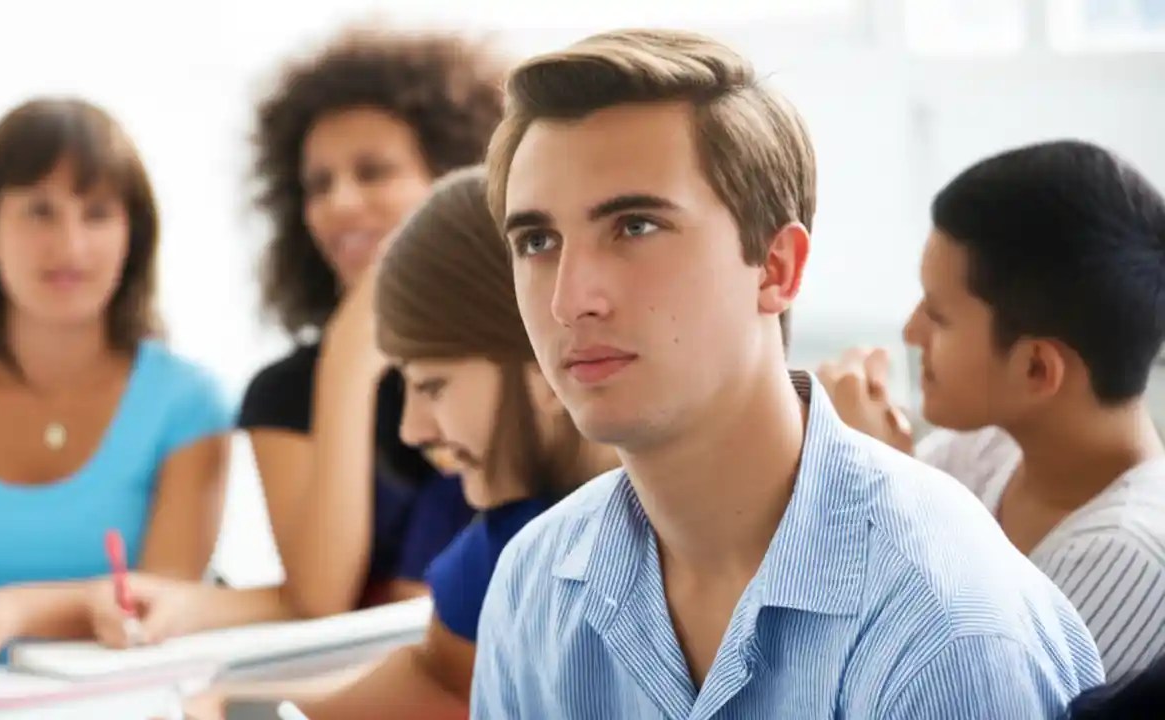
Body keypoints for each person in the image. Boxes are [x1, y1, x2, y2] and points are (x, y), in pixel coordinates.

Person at [471, 28, 1105, 719]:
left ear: (777, 269)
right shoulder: (534, 583)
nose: (569, 300)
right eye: (537, 242)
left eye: (635, 227)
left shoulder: (947, 625)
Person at [84, 28, 507, 645]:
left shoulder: (535, 355)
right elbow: (320, 596)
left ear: (456, 179)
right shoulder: (285, 393)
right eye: (318, 184)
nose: (339, 203)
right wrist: (346, 363)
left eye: (373, 172)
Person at [175, 166, 617, 720]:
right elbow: (437, 678)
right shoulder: (501, 548)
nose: (414, 429)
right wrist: (245, 707)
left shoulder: (689, 540)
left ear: (551, 361)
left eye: (433, 385)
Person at [0, 98, 233, 665]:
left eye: (97, 213)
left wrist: (12, 610)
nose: (70, 244)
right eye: (39, 211)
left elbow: (166, 603)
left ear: (132, 238)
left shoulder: (189, 401)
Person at [817, 140, 1165, 683]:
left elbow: (941, 687)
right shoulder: (989, 448)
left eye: (938, 316)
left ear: (1036, 370)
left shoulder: (1126, 558)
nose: (911, 332)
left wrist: (878, 483)